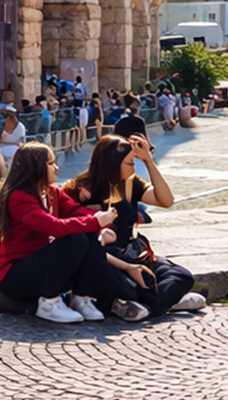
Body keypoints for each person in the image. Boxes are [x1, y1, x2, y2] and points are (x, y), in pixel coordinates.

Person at [0, 141, 145, 323]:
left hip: (41, 266)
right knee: (76, 239)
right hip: (15, 275)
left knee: (88, 234)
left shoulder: (50, 192)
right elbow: (53, 227)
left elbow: (76, 211)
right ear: (36, 167)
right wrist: (96, 221)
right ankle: (49, 302)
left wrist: (103, 222)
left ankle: (81, 297)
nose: (56, 168)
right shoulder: (19, 197)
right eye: (50, 163)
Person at [67, 127, 205, 317]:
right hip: (108, 259)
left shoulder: (132, 183)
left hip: (135, 254)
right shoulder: (81, 189)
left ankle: (148, 303)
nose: (133, 167)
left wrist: (148, 160)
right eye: (130, 163)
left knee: (182, 276)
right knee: (118, 281)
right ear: (112, 163)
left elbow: (166, 200)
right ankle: (164, 301)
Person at [0, 107, 25, 183]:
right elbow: (22, 140)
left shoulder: (1, 125)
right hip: (14, 150)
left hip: (4, 150)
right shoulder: (21, 126)